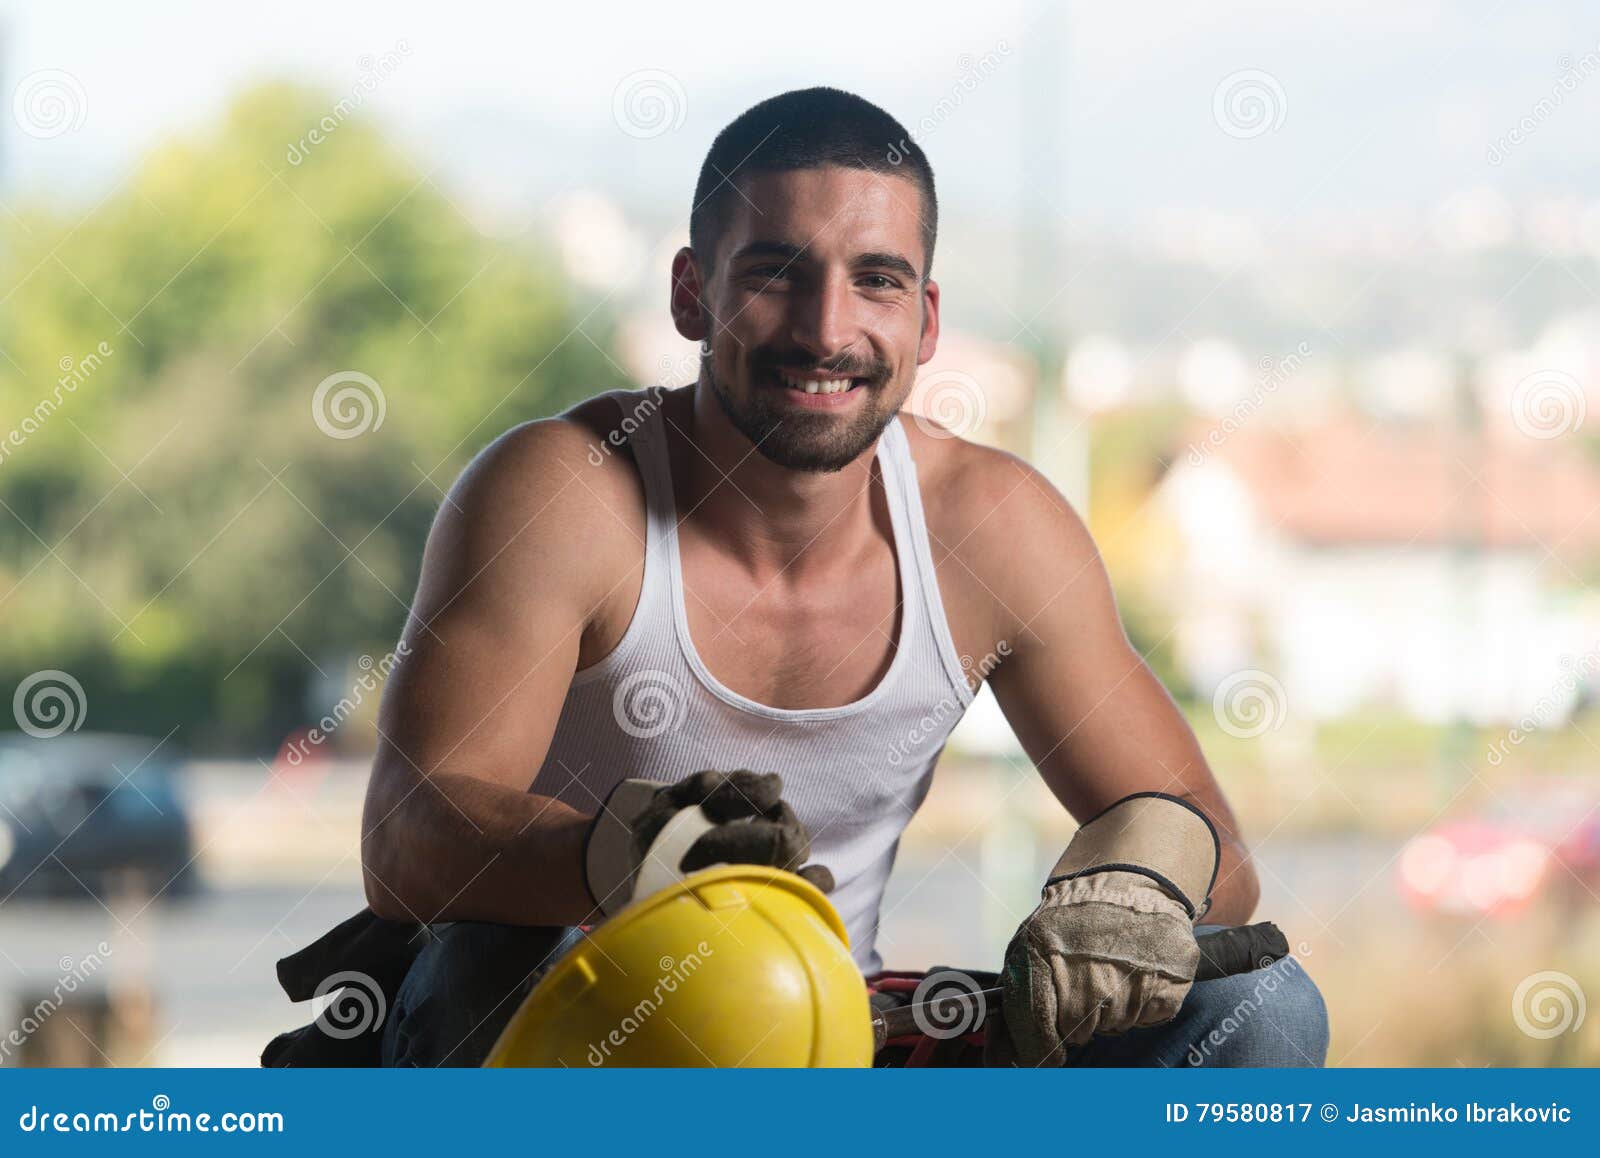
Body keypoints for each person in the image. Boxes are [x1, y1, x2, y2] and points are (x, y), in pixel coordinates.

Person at [274, 86, 1327, 1068]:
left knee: (1262, 1010)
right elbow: (405, 838)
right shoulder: (563, 493)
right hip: (580, 1016)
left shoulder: (991, 525)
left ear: (924, 323)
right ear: (693, 294)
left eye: (877, 279)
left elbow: (1216, 847)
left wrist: (1134, 887)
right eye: (776, 272)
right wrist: (624, 855)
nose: (827, 329)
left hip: (834, 1034)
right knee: (489, 957)